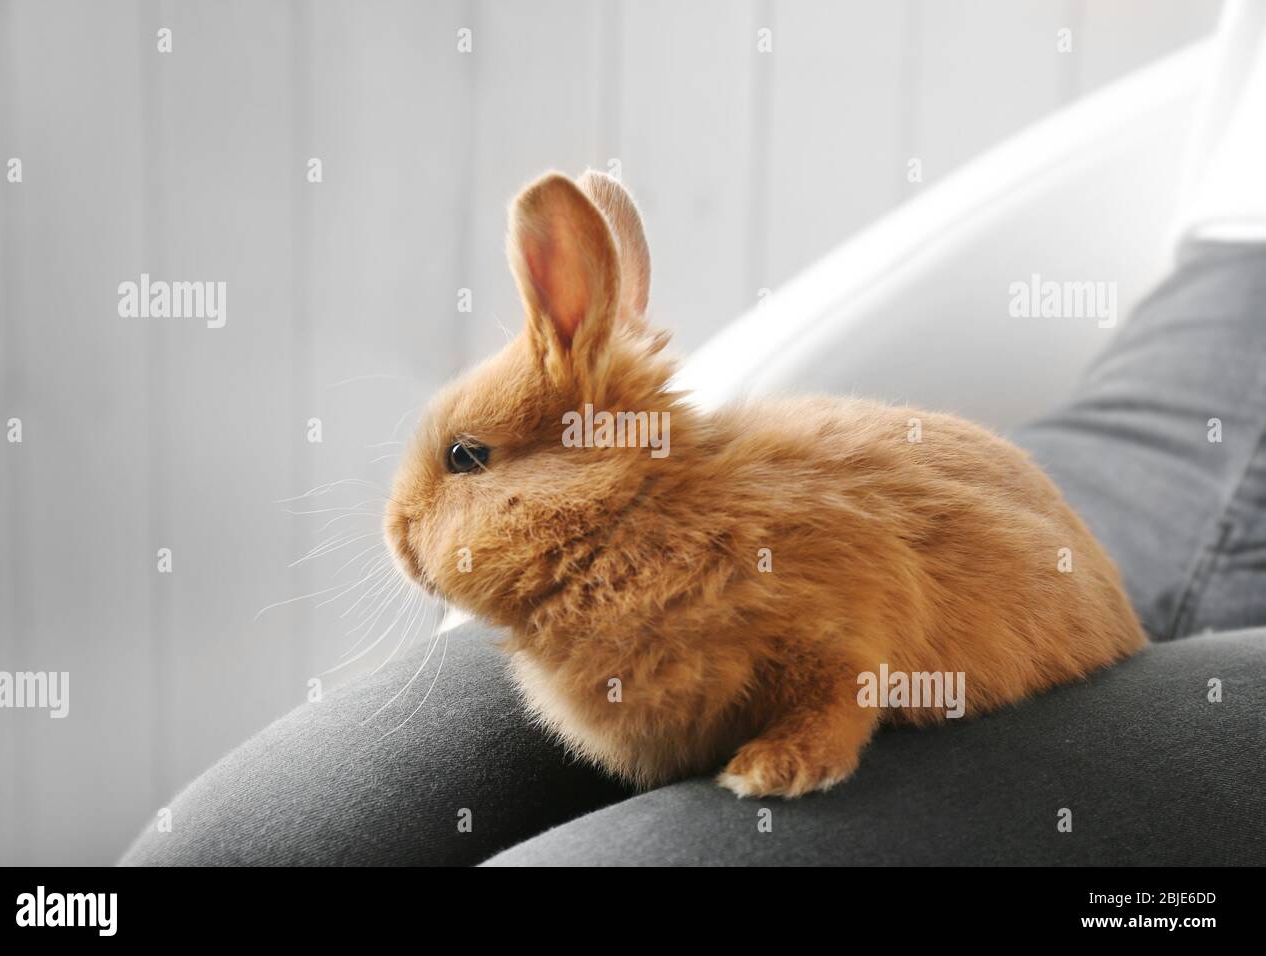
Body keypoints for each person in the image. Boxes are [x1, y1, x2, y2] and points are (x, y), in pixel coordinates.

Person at [121, 3, 1266, 866]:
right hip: (1159, 395)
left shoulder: (697, 545)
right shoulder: (610, 547)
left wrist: (822, 713)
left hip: (1058, 637)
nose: (403, 517)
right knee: (230, 845)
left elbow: (850, 602)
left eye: (467, 463)